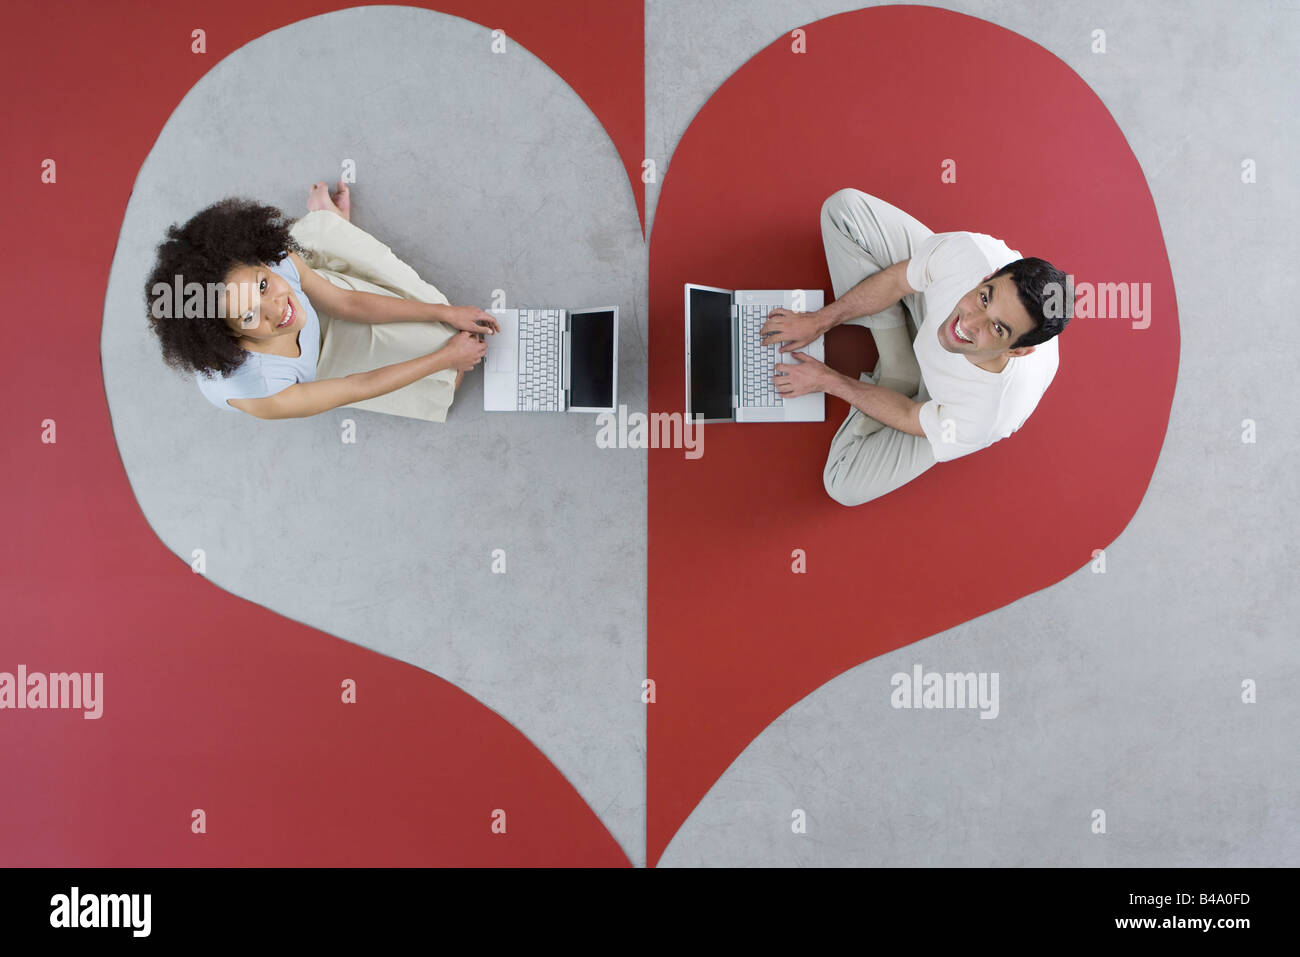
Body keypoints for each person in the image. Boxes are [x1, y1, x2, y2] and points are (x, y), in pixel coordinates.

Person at [760, 188, 1071, 506]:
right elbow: (899, 280)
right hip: (929, 312)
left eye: (997, 328)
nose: (969, 321)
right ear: (989, 276)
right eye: (984, 297)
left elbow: (910, 415)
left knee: (843, 483)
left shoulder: (988, 415)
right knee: (844, 210)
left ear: (1017, 351)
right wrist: (819, 321)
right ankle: (898, 362)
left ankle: (903, 370)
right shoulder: (971, 254)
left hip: (937, 401)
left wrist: (828, 380)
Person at [145, 181, 498, 421]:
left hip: (312, 303)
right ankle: (325, 233)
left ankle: (323, 228)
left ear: (261, 264)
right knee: (443, 369)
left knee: (427, 313)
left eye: (264, 285)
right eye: (249, 316)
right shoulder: (261, 390)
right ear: (231, 335)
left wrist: (446, 311)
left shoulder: (273, 260)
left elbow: (346, 304)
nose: (277, 309)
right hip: (314, 368)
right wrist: (444, 358)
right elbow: (357, 386)